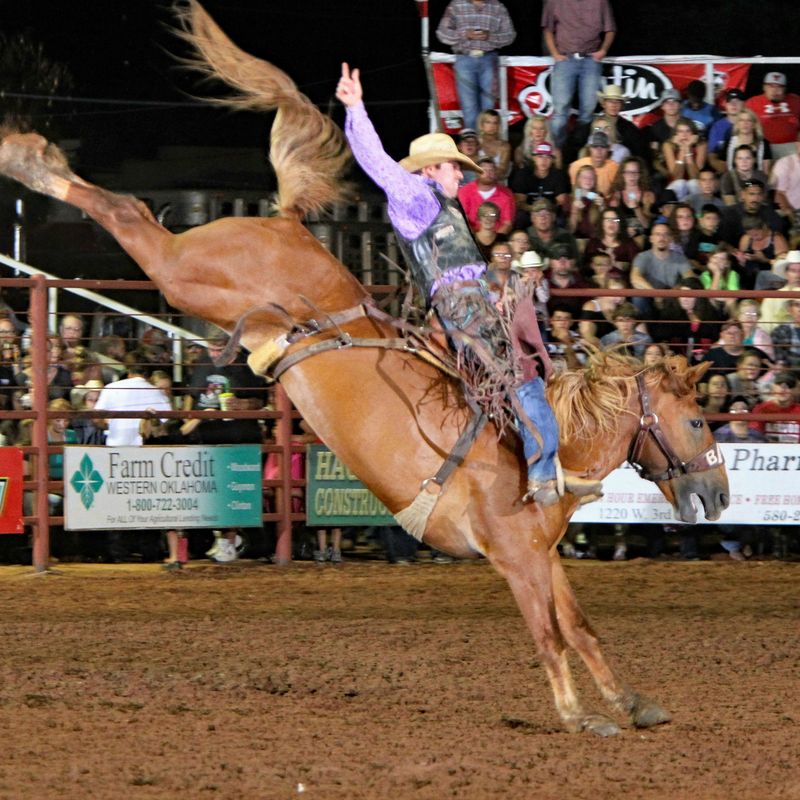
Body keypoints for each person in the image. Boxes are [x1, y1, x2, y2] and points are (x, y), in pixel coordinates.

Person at [336, 63, 601, 505]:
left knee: (523, 376)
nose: (461, 175)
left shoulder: (438, 205)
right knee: (524, 379)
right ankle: (542, 473)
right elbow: (378, 164)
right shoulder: (418, 197)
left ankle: (544, 465)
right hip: (463, 307)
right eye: (454, 168)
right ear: (430, 170)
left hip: (469, 303)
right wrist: (356, 109)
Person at [184, 333, 267, 563]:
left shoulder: (249, 365)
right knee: (212, 489)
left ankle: (228, 542)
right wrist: (189, 418)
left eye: (219, 350)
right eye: (211, 349)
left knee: (232, 488)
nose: (214, 355)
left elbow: (260, 400)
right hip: (207, 434)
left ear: (234, 348)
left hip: (238, 435)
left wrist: (242, 404)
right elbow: (192, 394)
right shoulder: (203, 362)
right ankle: (225, 539)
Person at [542, 0, 616, 151]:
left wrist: (603, 50)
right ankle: (558, 153)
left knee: (588, 110)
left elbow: (610, 29)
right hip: (565, 58)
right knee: (560, 110)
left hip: (591, 59)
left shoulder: (600, 2)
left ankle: (581, 151)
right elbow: (547, 29)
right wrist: (555, 53)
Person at [435, 0, 516, 131]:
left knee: (488, 106)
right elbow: (442, 33)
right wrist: (465, 34)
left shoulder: (497, 6)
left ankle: (486, 142)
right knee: (468, 107)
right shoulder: (456, 5)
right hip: (464, 59)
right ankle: (472, 141)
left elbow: (510, 35)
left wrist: (490, 36)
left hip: (489, 59)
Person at [508, 141, 570, 229]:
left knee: (561, 219)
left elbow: (561, 201)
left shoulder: (558, 175)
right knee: (520, 217)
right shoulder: (523, 174)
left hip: (550, 211)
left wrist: (546, 209)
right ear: (534, 158)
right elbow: (519, 202)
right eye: (540, 156)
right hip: (529, 210)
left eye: (548, 157)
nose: (543, 161)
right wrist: (535, 209)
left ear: (552, 160)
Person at [746, 71, 800, 159]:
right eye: (771, 86)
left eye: (779, 86)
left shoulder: (796, 100)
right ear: (764, 87)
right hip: (764, 147)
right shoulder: (752, 103)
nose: (775, 90)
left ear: (785, 89)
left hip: (791, 146)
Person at [458, 155, 515, 233]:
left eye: (491, 170)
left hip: (497, 236)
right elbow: (462, 219)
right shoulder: (464, 191)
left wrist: (494, 238)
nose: (488, 173)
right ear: (476, 173)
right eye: (484, 170)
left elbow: (507, 224)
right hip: (470, 235)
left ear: (496, 173)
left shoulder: (506, 194)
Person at [593, 84, 645, 159]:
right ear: (604, 104)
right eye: (610, 101)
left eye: (617, 102)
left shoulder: (629, 128)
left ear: (621, 105)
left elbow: (639, 152)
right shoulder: (594, 124)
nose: (614, 105)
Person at [662, 118, 707, 200]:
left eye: (688, 131)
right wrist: (682, 150)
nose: (684, 135)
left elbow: (695, 176)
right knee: (680, 183)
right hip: (675, 185)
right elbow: (677, 177)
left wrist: (688, 149)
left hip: (695, 184)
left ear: (693, 133)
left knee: (693, 183)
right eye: (680, 131)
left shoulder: (701, 144)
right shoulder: (668, 145)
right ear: (675, 133)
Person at [750, 371, 800, 442]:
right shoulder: (762, 409)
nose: (783, 389)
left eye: (789, 386)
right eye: (779, 384)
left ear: (795, 390)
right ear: (773, 387)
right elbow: (754, 435)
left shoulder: (798, 410)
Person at [567, 130, 619, 196]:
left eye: (603, 147)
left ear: (608, 149)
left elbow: (617, 194)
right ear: (589, 148)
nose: (599, 151)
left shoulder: (614, 168)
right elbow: (575, 191)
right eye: (595, 147)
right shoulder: (576, 166)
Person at [770, 131, 800, 229]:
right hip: (792, 211)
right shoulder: (785, 163)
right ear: (797, 144)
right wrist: (791, 215)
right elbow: (779, 194)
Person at [707, 88, 746, 156]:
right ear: (726, 105)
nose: (733, 104)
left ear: (743, 104)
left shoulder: (748, 125)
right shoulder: (717, 127)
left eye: (737, 101)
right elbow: (712, 156)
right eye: (730, 101)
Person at [476, 108, 512, 180]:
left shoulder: (504, 146)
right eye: (488, 122)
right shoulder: (475, 143)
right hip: (474, 181)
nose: (492, 126)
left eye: (495, 123)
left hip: (496, 181)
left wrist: (488, 177)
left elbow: (503, 170)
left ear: (499, 125)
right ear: (482, 124)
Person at [771, 298, 800, 374]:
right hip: (789, 373)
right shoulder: (779, 331)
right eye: (797, 305)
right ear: (790, 309)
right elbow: (781, 362)